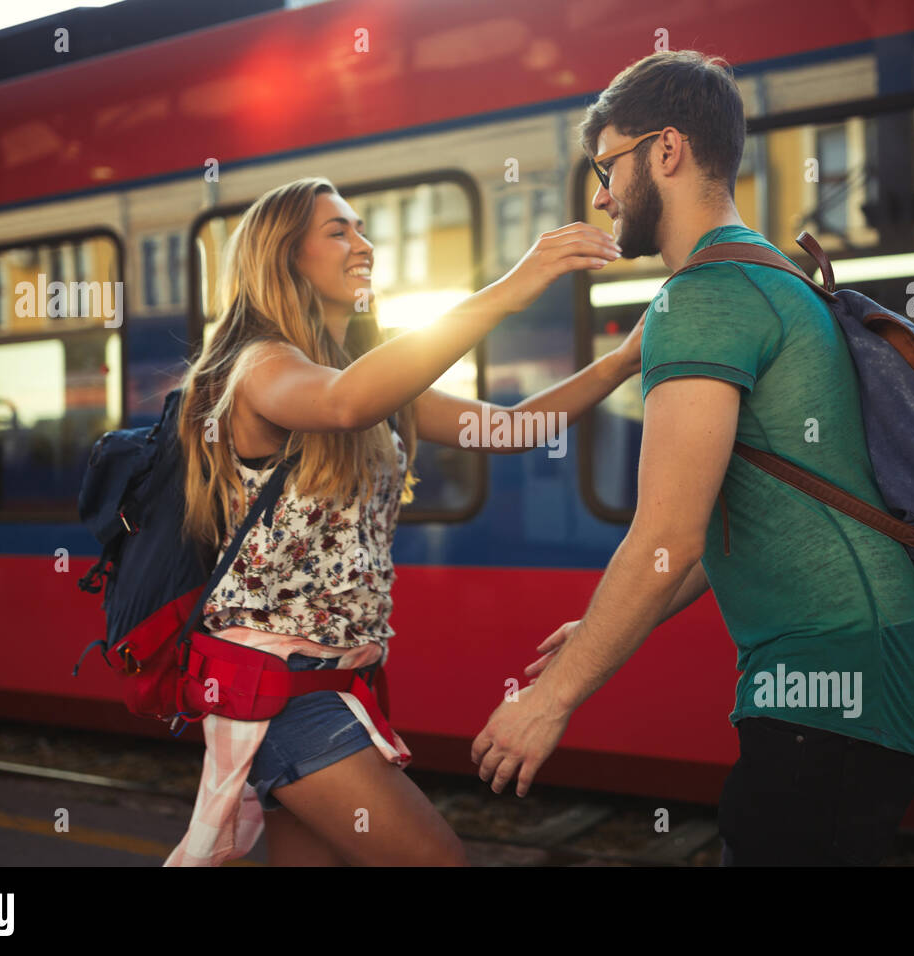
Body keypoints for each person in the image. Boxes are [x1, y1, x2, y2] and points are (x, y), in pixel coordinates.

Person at [471, 50, 914, 866]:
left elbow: (666, 539)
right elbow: (731, 526)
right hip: (867, 662)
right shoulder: (773, 275)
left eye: (606, 165)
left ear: (666, 152)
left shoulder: (700, 297)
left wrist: (548, 701)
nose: (599, 195)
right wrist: (603, 626)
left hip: (830, 676)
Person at [164, 176, 640, 866]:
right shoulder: (259, 367)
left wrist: (624, 361)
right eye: (339, 231)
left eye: (360, 228)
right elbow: (343, 405)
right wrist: (516, 283)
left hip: (339, 682)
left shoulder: (368, 374)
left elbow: (509, 428)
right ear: (286, 255)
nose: (364, 245)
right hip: (279, 690)